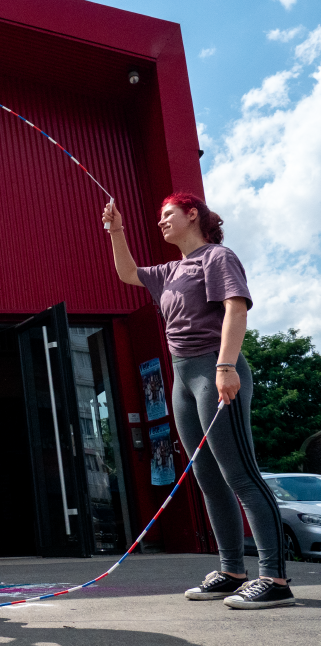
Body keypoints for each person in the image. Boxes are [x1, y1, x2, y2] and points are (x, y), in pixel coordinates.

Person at [102, 193, 294, 610]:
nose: (161, 222)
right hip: (182, 377)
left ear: (193, 215)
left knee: (240, 475)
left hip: (214, 368)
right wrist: (116, 230)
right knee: (207, 478)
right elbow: (128, 273)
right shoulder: (170, 270)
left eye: (168, 214)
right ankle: (230, 571)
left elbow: (236, 309)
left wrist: (225, 367)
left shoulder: (217, 258)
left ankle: (275, 577)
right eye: (158, 217)